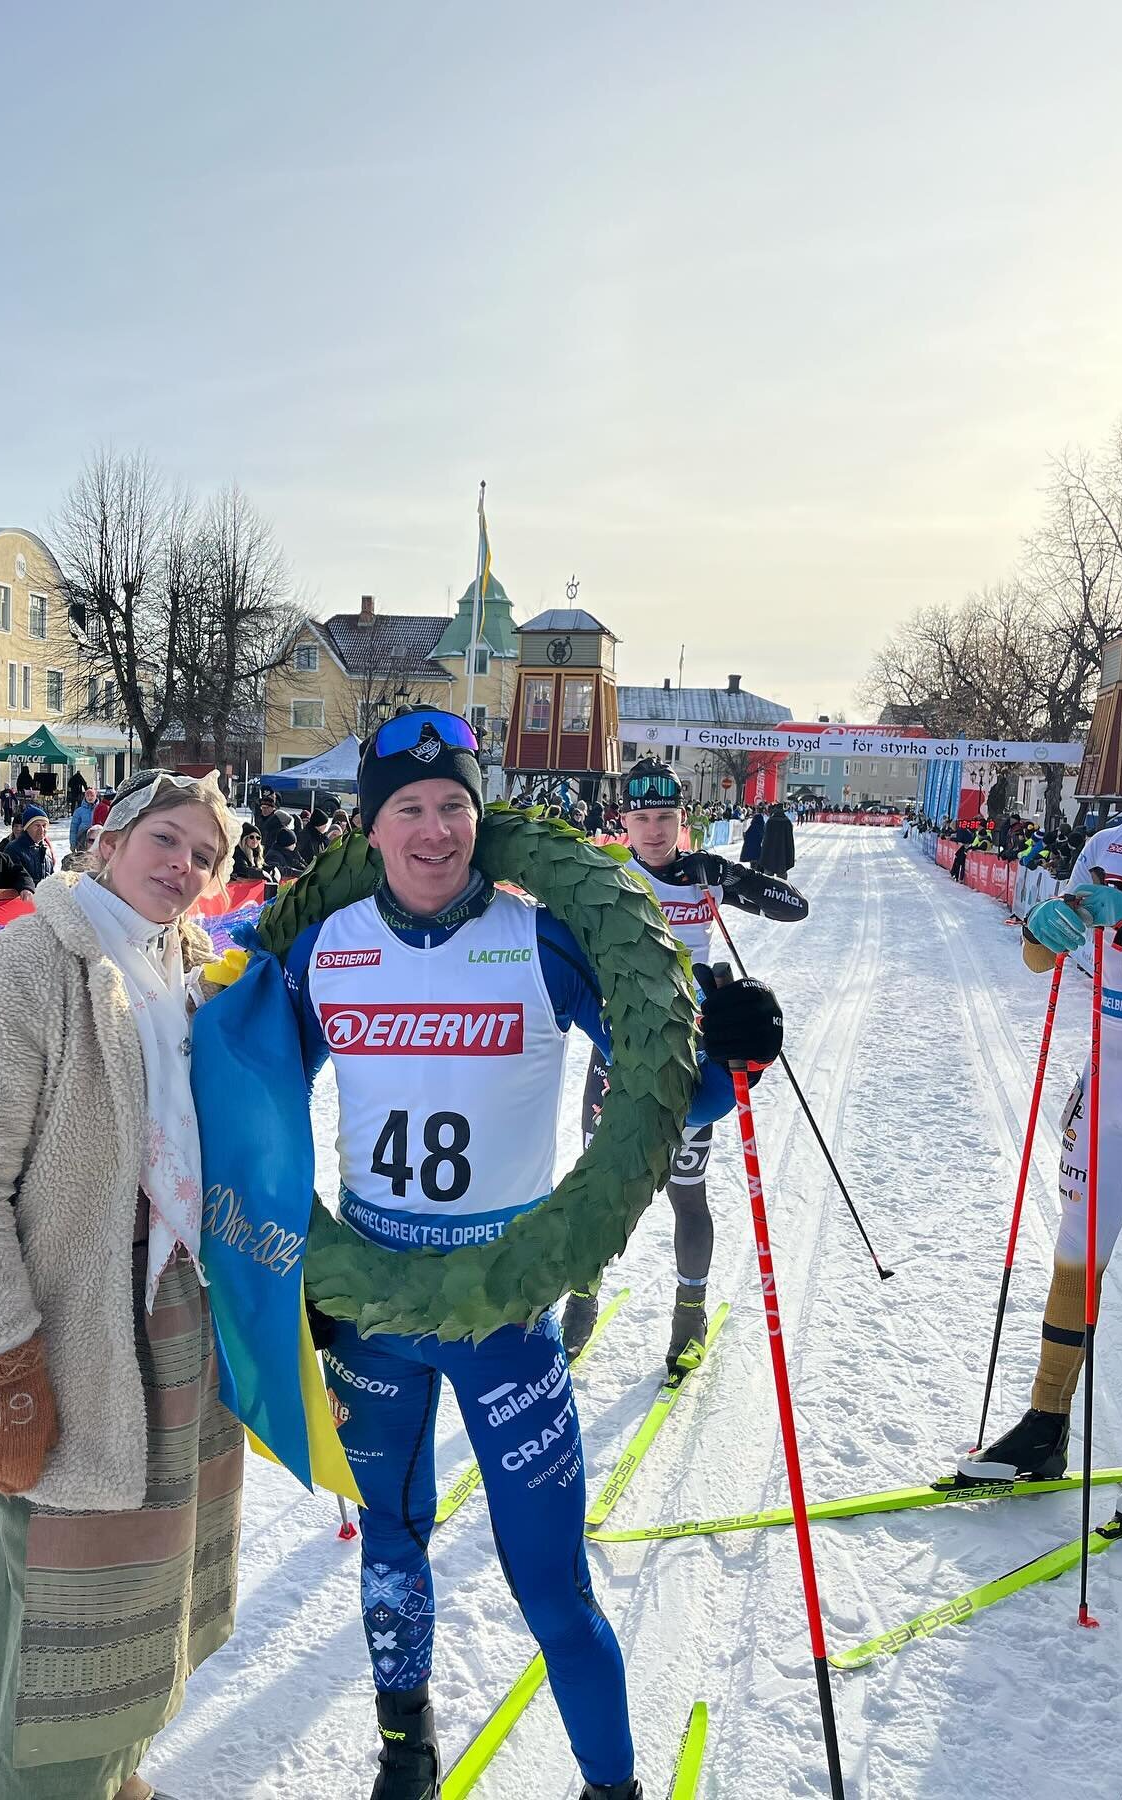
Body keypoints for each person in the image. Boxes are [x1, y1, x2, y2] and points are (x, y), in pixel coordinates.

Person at [285, 712, 784, 1800]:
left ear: (481, 817)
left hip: (507, 1312)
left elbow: (662, 1088)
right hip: (373, 1307)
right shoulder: (325, 948)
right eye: (407, 809)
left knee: (551, 1584)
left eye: (453, 806)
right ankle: (406, 1750)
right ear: (369, 829)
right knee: (391, 1546)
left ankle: (612, 1787)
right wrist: (295, 1269)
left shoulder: (533, 935)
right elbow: (252, 1106)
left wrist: (737, 1056)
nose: (433, 831)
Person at [0, 769, 244, 1800]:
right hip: (67, 1342)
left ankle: (116, 1773)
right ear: (106, 840)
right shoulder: (24, 970)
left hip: (172, 1311)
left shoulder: (184, 964)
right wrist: (5, 1363)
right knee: (57, 1610)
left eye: (205, 853)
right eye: (166, 838)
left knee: (148, 1590)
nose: (183, 865)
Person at [958, 706, 1122, 1527]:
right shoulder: (1106, 847)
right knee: (1076, 1254)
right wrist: (1047, 931)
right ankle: (1046, 1425)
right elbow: (1041, 954)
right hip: (1114, 1076)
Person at [563, 757, 808, 1368]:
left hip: (692, 1056)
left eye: (666, 817)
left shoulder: (705, 876)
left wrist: (727, 874)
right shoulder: (605, 874)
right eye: (642, 818)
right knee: (600, 1184)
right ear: (623, 820)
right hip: (617, 1052)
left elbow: (793, 906)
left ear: (683, 819)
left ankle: (688, 1317)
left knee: (686, 1193)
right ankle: (581, 1301)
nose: (654, 831)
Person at [5, 806, 57, 888]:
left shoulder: (46, 849)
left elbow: (50, 878)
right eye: (37, 826)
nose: (42, 830)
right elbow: (13, 879)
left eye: (44, 826)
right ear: (27, 828)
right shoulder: (14, 849)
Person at [758, 801, 796, 878]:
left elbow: (765, 838)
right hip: (782, 854)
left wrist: (763, 853)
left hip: (769, 854)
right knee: (782, 880)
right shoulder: (787, 822)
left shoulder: (770, 821)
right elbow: (789, 841)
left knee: (768, 878)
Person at [70, 787, 97, 853]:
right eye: (88, 796)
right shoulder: (79, 811)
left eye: (92, 795)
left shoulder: (100, 809)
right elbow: (73, 828)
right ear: (85, 797)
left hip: (97, 838)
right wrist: (73, 843)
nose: (90, 798)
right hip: (82, 840)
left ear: (96, 796)